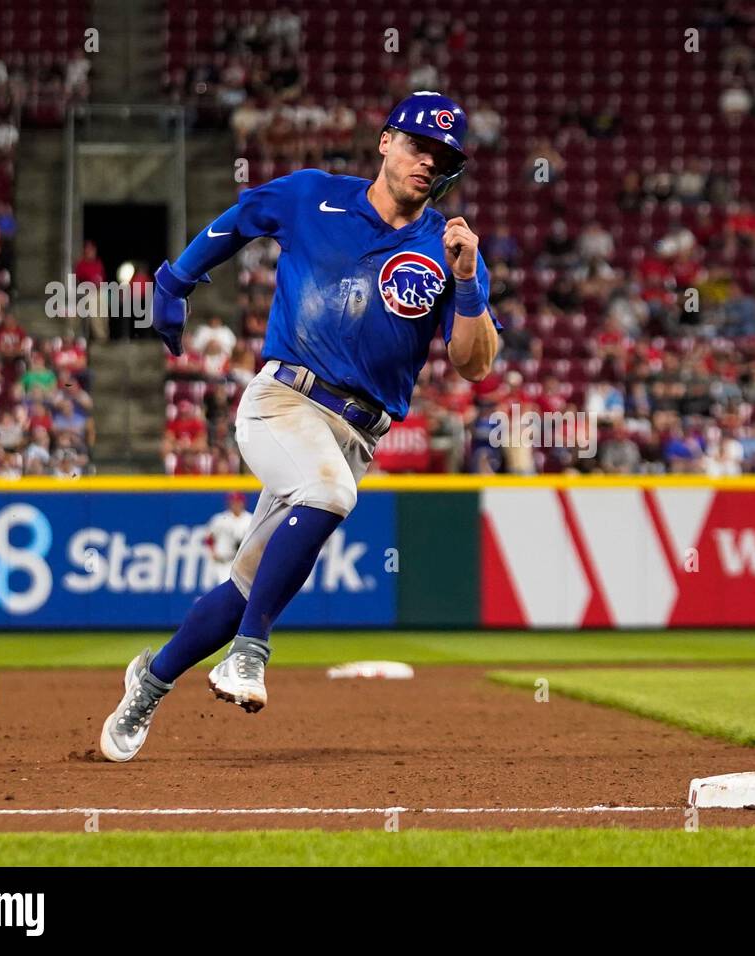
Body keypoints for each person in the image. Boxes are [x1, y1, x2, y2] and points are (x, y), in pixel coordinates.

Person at [99, 92, 500, 762]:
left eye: (442, 156)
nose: (426, 162)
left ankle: (151, 681)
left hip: (357, 433)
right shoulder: (314, 196)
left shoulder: (450, 250)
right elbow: (241, 218)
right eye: (416, 145)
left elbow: (473, 365)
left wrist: (467, 283)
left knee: (244, 587)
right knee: (329, 495)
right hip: (284, 400)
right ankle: (249, 653)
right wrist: (174, 278)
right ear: (385, 141)